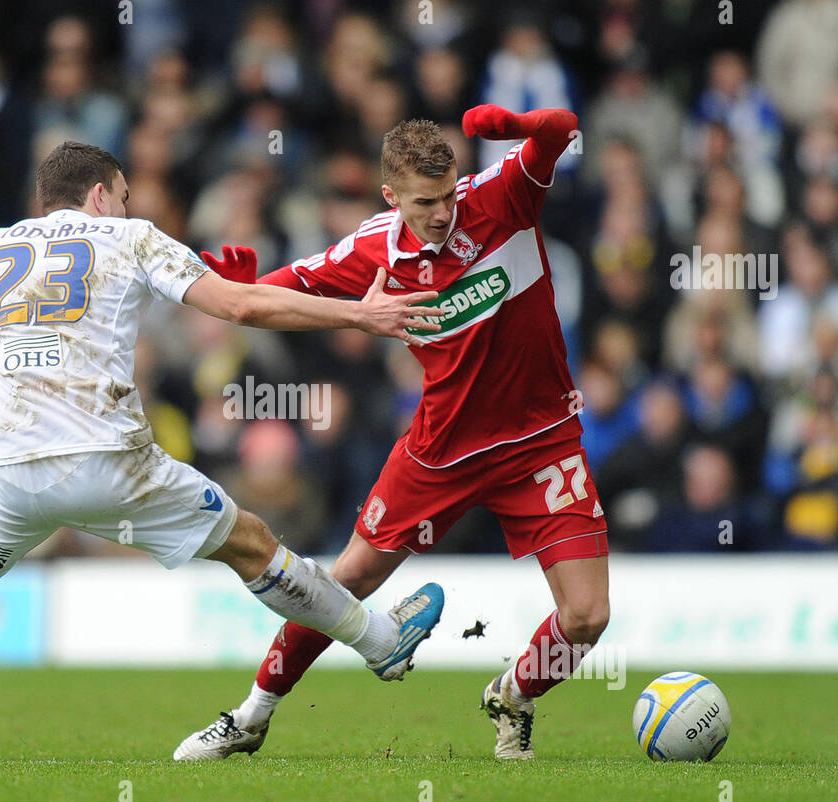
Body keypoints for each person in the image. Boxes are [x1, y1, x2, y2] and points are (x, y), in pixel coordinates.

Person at [0, 141, 446, 761]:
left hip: (5, 476)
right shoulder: (130, 238)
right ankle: (380, 643)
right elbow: (240, 308)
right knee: (251, 545)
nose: (127, 207)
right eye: (122, 195)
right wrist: (360, 313)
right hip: (111, 461)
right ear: (100, 194)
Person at [177, 105, 608, 761]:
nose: (442, 213)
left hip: (541, 442)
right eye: (424, 202)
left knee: (587, 617)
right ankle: (250, 716)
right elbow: (271, 299)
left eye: (447, 196)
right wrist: (232, 288)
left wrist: (522, 124)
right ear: (391, 197)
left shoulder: (504, 195)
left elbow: (561, 131)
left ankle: (513, 695)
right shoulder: (371, 250)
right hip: (440, 453)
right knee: (346, 580)